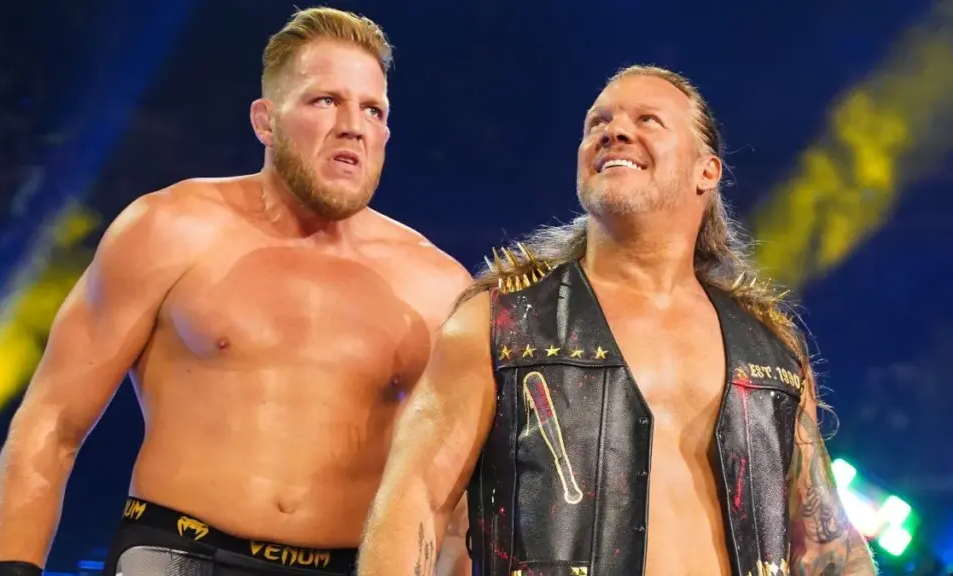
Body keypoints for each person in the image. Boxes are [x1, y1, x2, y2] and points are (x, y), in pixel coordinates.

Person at [0, 7, 472, 576]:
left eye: (372, 109)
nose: (352, 125)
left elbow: (450, 507)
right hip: (176, 554)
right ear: (266, 121)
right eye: (324, 100)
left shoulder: (435, 286)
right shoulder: (170, 229)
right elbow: (52, 424)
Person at [357, 65, 877, 576]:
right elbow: (415, 501)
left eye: (648, 119)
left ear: (706, 171)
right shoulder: (500, 325)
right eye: (597, 123)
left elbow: (826, 545)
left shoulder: (770, 350)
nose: (614, 131)